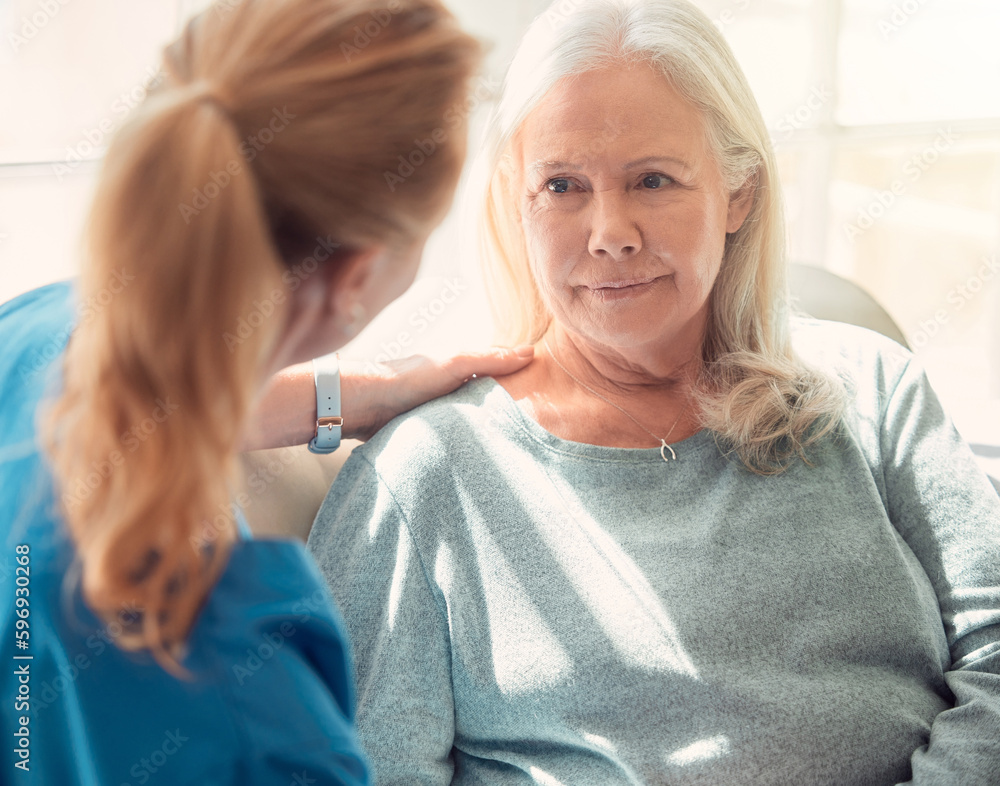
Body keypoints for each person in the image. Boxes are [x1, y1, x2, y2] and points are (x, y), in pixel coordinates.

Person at [306, 0, 1000, 783]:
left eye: (653, 179)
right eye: (563, 184)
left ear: (738, 194)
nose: (610, 231)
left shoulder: (873, 391)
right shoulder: (423, 475)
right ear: (515, 201)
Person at [0, 0, 536, 783]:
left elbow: (148, 398)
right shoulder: (254, 718)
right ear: (356, 275)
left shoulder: (37, 330)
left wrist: (345, 396)